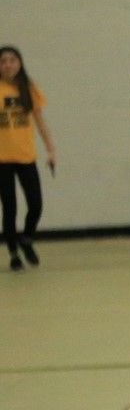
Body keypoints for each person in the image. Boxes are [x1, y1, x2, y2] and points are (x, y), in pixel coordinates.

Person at [0, 45, 55, 272]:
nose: (8, 64)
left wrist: (50, 149)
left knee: (36, 203)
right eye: (3, 61)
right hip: (2, 159)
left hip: (25, 156)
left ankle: (27, 238)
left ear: (20, 63)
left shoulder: (28, 88)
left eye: (13, 60)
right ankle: (13, 253)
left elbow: (39, 121)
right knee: (9, 207)